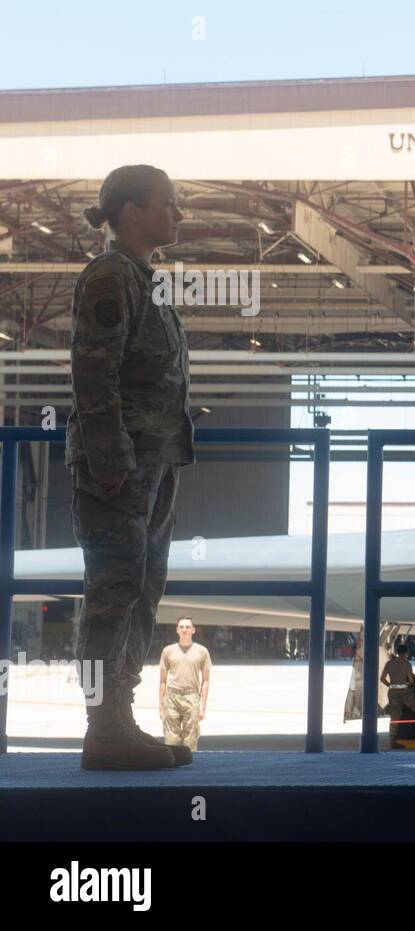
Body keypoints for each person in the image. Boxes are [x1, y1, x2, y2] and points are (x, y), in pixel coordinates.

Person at [71, 164, 195, 771]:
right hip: (121, 468)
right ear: (131, 211)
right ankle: (102, 724)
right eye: (168, 204)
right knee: (111, 598)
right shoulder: (111, 277)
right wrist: (112, 460)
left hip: (155, 463)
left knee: (141, 594)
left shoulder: (146, 279)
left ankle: (120, 716)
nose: (179, 215)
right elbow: (94, 374)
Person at [158, 616, 211, 752]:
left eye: (187, 627)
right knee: (171, 738)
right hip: (172, 697)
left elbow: (205, 681)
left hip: (192, 696)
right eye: (181, 627)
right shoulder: (168, 651)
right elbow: (162, 681)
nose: (184, 629)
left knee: (190, 739)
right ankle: (172, 768)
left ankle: (190, 769)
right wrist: (161, 706)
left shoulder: (202, 651)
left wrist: (203, 707)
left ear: (193, 630)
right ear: (177, 630)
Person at [380, 638, 415, 746]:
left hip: (393, 692)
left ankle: (392, 739)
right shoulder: (407, 664)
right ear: (406, 653)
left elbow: (382, 678)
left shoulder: (389, 663)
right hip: (404, 692)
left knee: (395, 715)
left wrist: (390, 685)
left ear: (397, 652)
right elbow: (411, 680)